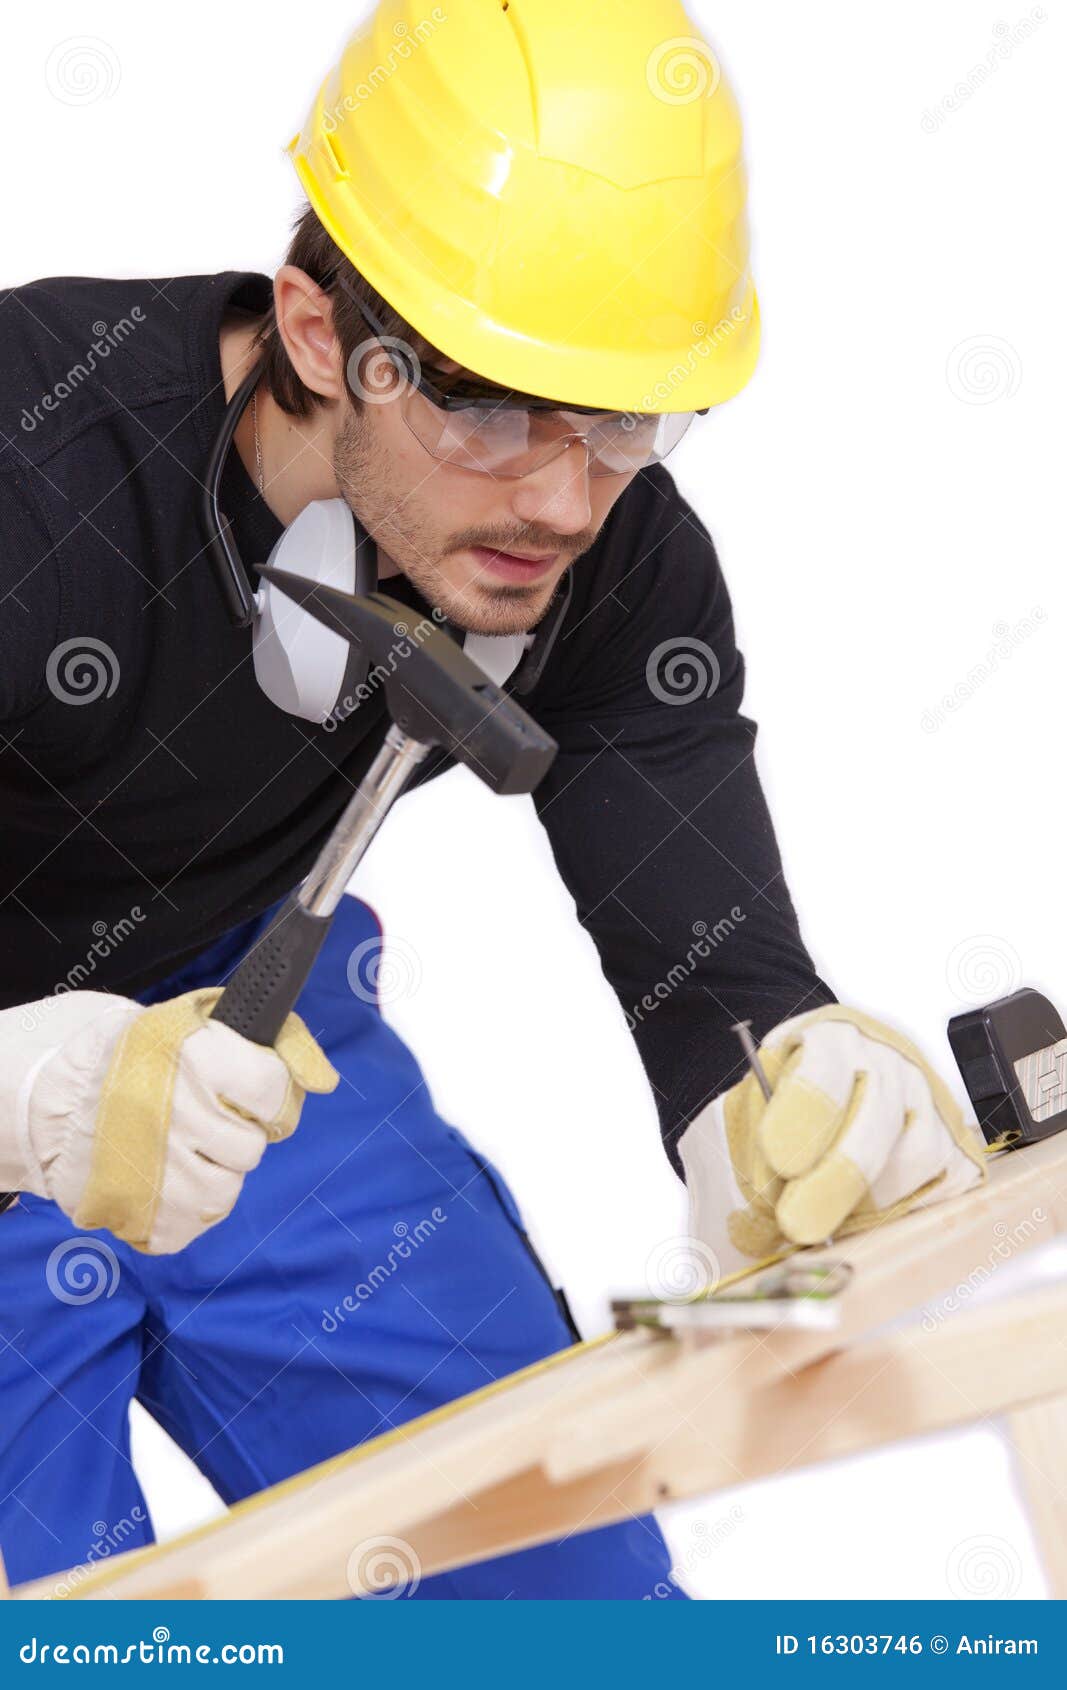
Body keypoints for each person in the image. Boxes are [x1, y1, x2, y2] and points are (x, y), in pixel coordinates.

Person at [0, 0, 987, 1597]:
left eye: (620, 417)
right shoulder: (31, 467)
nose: (559, 494)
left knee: (559, 1594)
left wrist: (778, 1106)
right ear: (318, 331)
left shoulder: (611, 557)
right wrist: (21, 1094)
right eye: (484, 402)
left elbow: (724, 983)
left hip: (262, 1051)